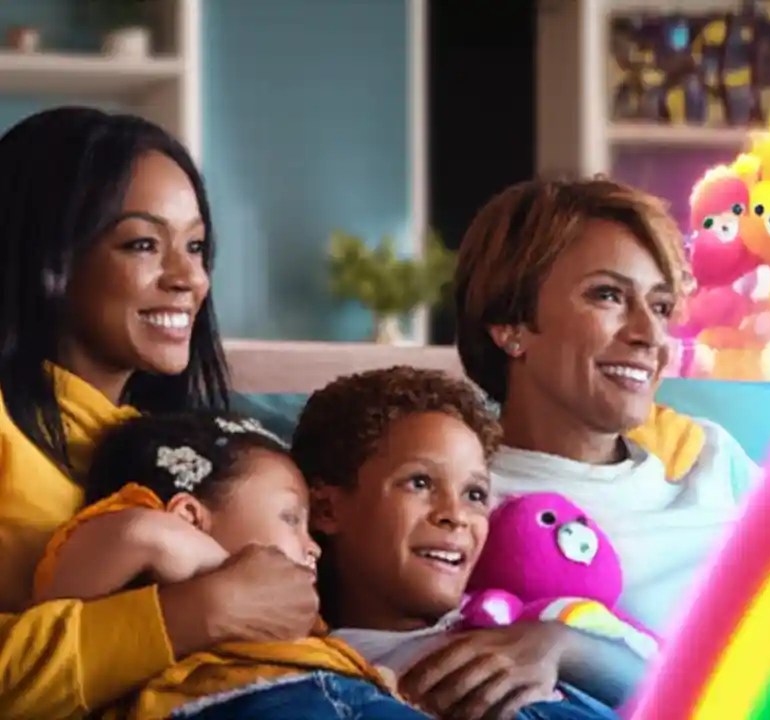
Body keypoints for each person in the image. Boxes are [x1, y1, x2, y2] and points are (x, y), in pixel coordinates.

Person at [0, 107, 318, 718]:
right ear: (47, 259)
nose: (189, 278)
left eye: (197, 247)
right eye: (143, 243)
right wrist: (192, 614)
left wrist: (553, 644)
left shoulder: (210, 447)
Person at [452, 179, 759, 639]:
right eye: (608, 295)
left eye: (659, 306)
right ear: (511, 324)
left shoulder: (708, 455)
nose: (650, 335)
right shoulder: (459, 501)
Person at [34, 411, 424, 719]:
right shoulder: (133, 542)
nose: (314, 548)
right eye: (290, 518)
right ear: (188, 517)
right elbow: (135, 534)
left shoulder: (304, 626)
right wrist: (216, 568)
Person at [293, 366, 628, 720]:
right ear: (327, 509)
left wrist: (559, 646)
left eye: (475, 494)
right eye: (419, 483)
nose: (457, 514)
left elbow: (670, 690)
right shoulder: (330, 679)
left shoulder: (510, 623)